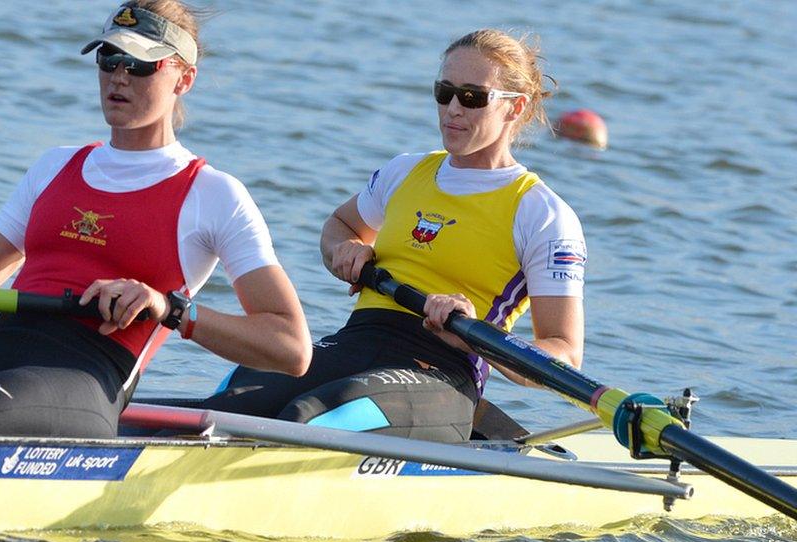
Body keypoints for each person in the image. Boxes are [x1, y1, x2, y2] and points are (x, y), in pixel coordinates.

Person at [0, 1, 311, 437]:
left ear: (184, 78)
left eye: (140, 65)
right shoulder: (55, 166)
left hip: (87, 377)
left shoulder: (214, 195)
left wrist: (171, 309)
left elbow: (291, 349)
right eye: (109, 58)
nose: (119, 76)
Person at [204, 29, 585, 442]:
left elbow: (563, 354)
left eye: (472, 97)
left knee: (309, 418)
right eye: (444, 92)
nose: (452, 109)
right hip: (358, 341)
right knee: (236, 397)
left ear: (515, 109)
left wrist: (476, 335)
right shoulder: (405, 171)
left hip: (442, 373)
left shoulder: (541, 213)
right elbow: (339, 226)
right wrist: (346, 250)